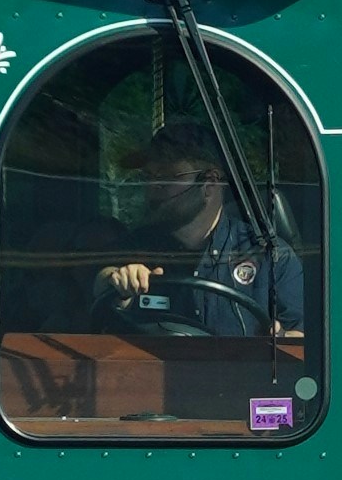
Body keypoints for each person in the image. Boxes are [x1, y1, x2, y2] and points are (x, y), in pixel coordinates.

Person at [93, 129, 303, 340]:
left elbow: (302, 341)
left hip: (239, 372)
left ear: (210, 183)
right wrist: (117, 282)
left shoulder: (270, 256)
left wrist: (283, 337)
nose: (152, 185)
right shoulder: (132, 248)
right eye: (148, 175)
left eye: (166, 175)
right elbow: (96, 286)